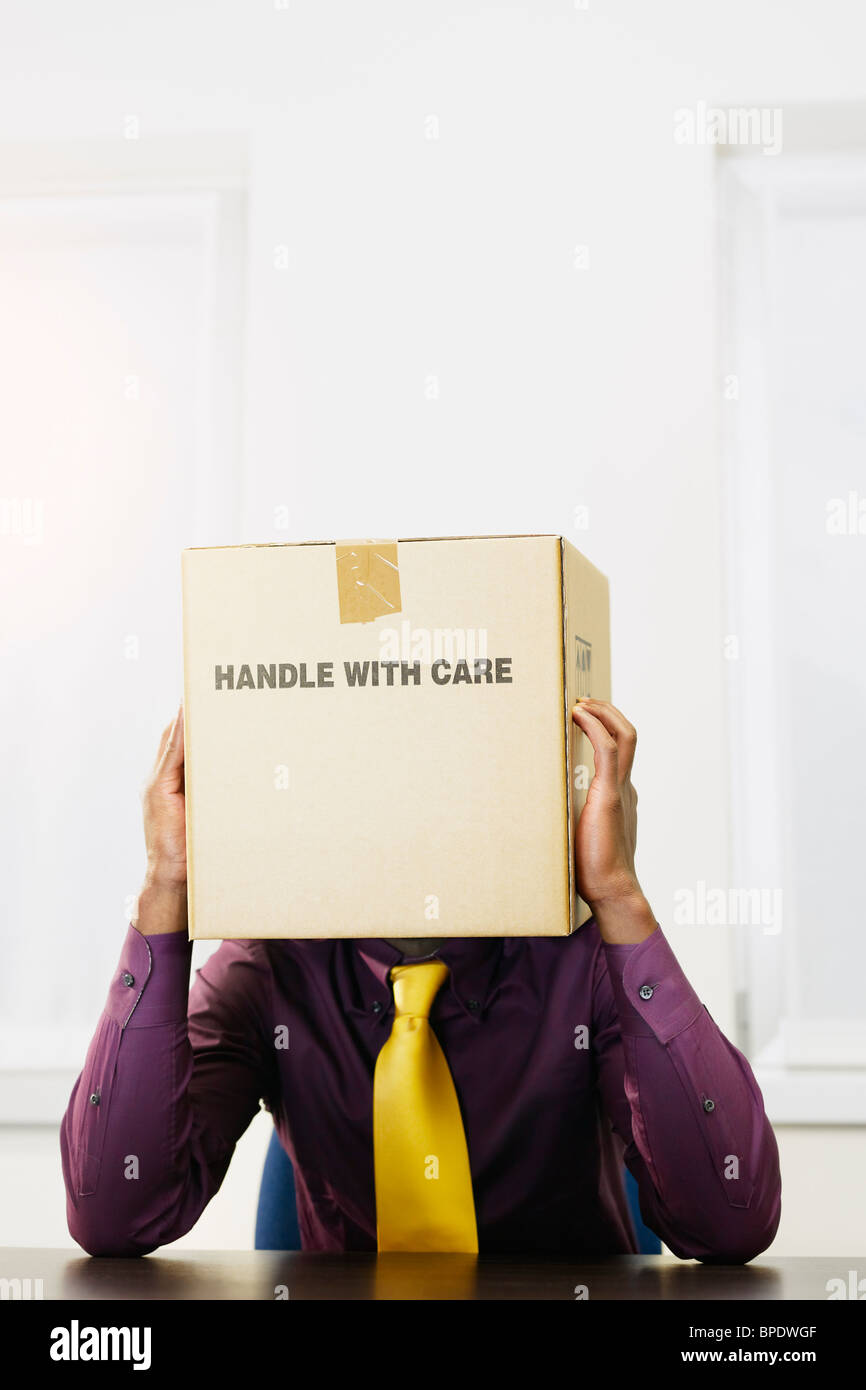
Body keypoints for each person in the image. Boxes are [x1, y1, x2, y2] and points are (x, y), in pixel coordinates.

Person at [60, 697, 781, 1260]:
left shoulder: (584, 960)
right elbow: (115, 1215)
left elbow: (731, 1220)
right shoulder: (269, 967)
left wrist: (619, 896)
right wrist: (167, 888)